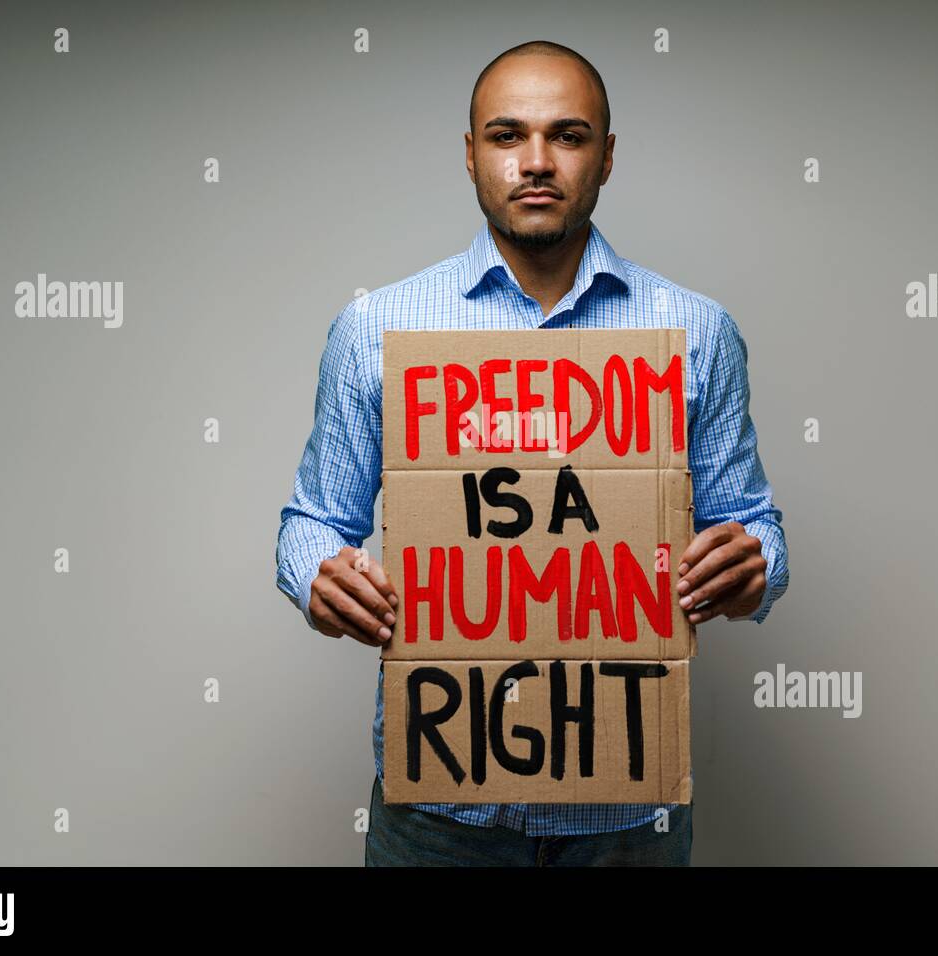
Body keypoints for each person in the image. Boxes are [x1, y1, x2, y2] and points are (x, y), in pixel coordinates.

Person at [276, 40, 789, 866]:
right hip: (439, 821)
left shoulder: (696, 333)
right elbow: (311, 521)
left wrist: (752, 561)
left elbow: (752, 520)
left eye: (570, 135)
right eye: (508, 136)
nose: (537, 161)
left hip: (626, 825)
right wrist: (318, 576)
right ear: (471, 156)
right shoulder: (378, 330)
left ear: (608, 157)